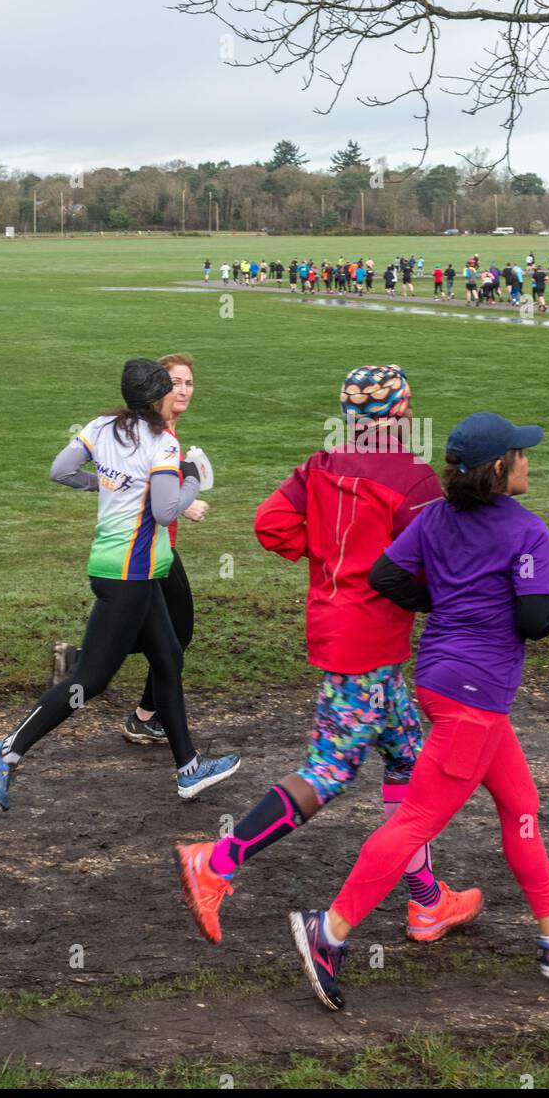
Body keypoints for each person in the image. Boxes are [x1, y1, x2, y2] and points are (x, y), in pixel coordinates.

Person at [287, 411, 549, 1010]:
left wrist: (443, 599)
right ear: (501, 468)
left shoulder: (437, 517)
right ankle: (330, 929)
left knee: (521, 804)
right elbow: (534, 618)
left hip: (444, 682)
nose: (528, 460)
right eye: (522, 453)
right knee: (415, 820)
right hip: (476, 698)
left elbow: (389, 575)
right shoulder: (528, 531)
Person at [175, 367, 481, 947]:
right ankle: (215, 864)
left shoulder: (320, 466)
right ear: (401, 414)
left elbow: (271, 525)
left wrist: (325, 562)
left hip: (346, 634)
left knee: (410, 766)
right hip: (368, 645)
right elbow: (433, 565)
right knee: (330, 770)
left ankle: (427, 903)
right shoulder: (414, 481)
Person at [0, 360, 240, 812]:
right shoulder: (162, 443)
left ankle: (189, 768)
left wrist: (102, 484)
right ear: (159, 398)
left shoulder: (101, 427)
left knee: (168, 657)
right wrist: (192, 477)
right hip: (130, 574)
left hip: (116, 566)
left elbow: (60, 471)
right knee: (90, 680)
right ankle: (5, 750)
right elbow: (164, 511)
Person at [124, 353, 209, 745]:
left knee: (164, 632)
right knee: (176, 632)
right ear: (158, 387)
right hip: (151, 547)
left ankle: (144, 714)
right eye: (176, 382)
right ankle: (86, 664)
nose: (184, 390)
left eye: (189, 383)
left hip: (157, 545)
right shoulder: (157, 435)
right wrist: (185, 499)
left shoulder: (166, 432)